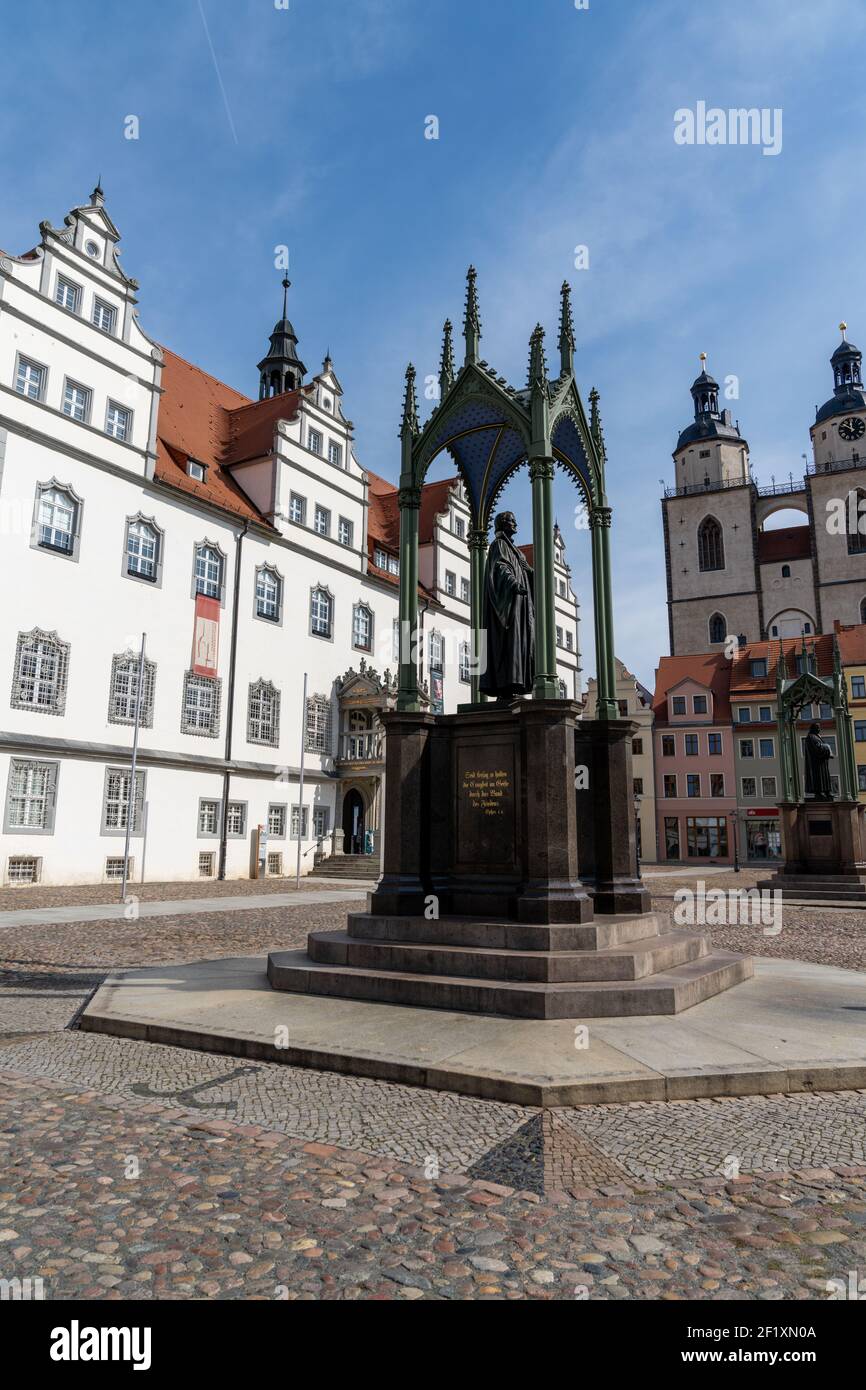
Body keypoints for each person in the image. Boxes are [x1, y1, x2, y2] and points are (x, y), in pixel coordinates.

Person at [479, 511, 535, 699]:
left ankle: (516, 683)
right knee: (509, 643)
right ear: (502, 524)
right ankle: (507, 683)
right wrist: (513, 584)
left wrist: (531, 575)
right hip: (508, 605)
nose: (515, 524)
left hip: (519, 605)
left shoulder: (516, 551)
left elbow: (526, 572)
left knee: (520, 643)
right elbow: (500, 568)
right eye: (511, 521)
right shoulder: (499, 545)